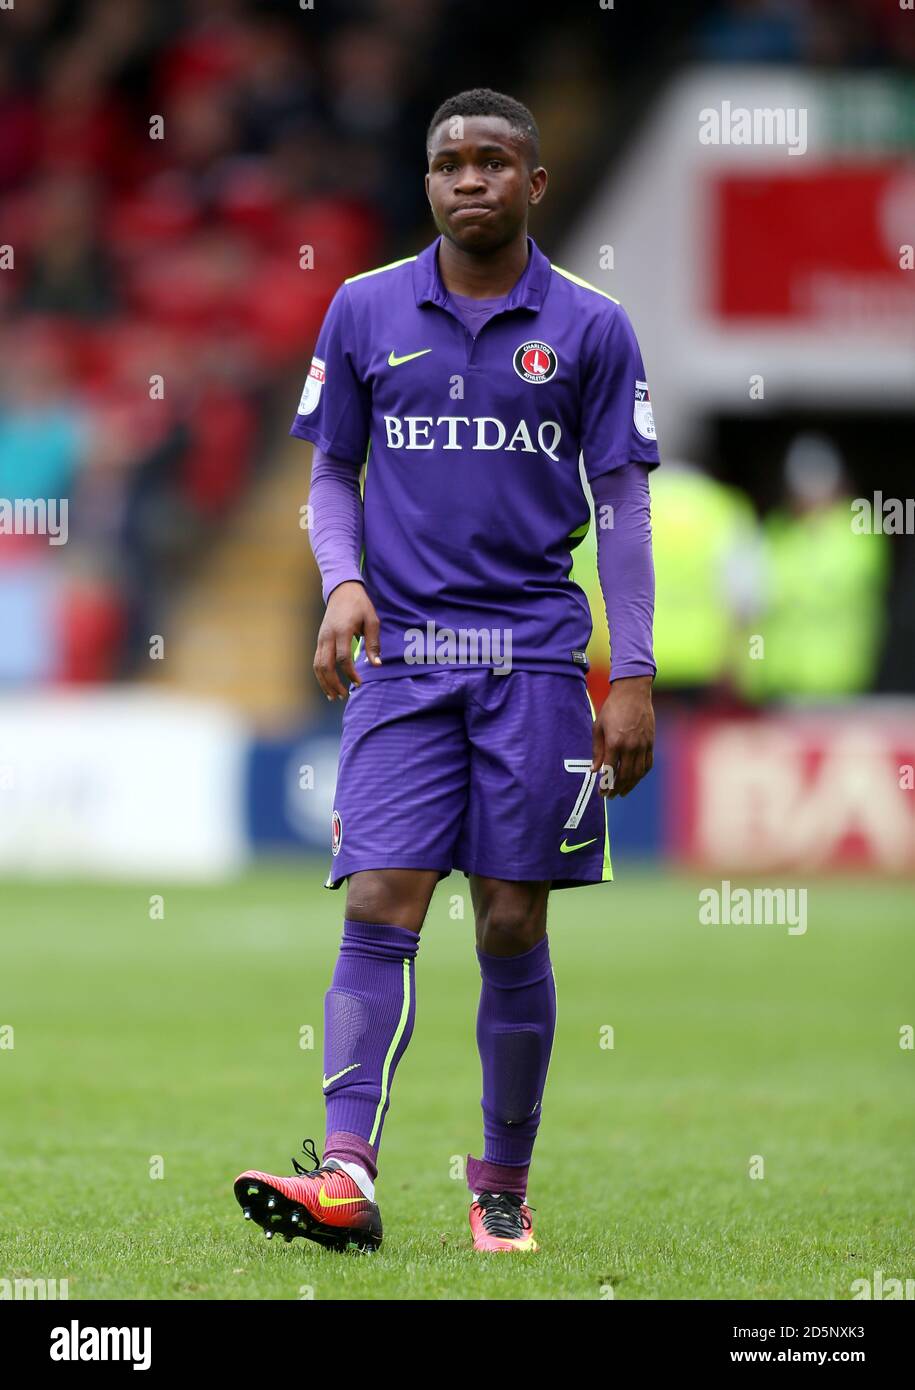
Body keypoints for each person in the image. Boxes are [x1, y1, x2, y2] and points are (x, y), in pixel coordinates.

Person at [234, 88, 660, 1254]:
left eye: (492, 161)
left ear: (535, 183)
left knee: (513, 924)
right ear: (427, 183)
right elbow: (332, 473)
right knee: (380, 898)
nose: (468, 179)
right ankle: (349, 1176)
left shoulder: (590, 327)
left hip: (530, 660)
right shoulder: (365, 310)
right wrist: (344, 581)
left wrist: (633, 672)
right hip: (406, 660)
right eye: (448, 164)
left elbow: (621, 501)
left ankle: (502, 1187)